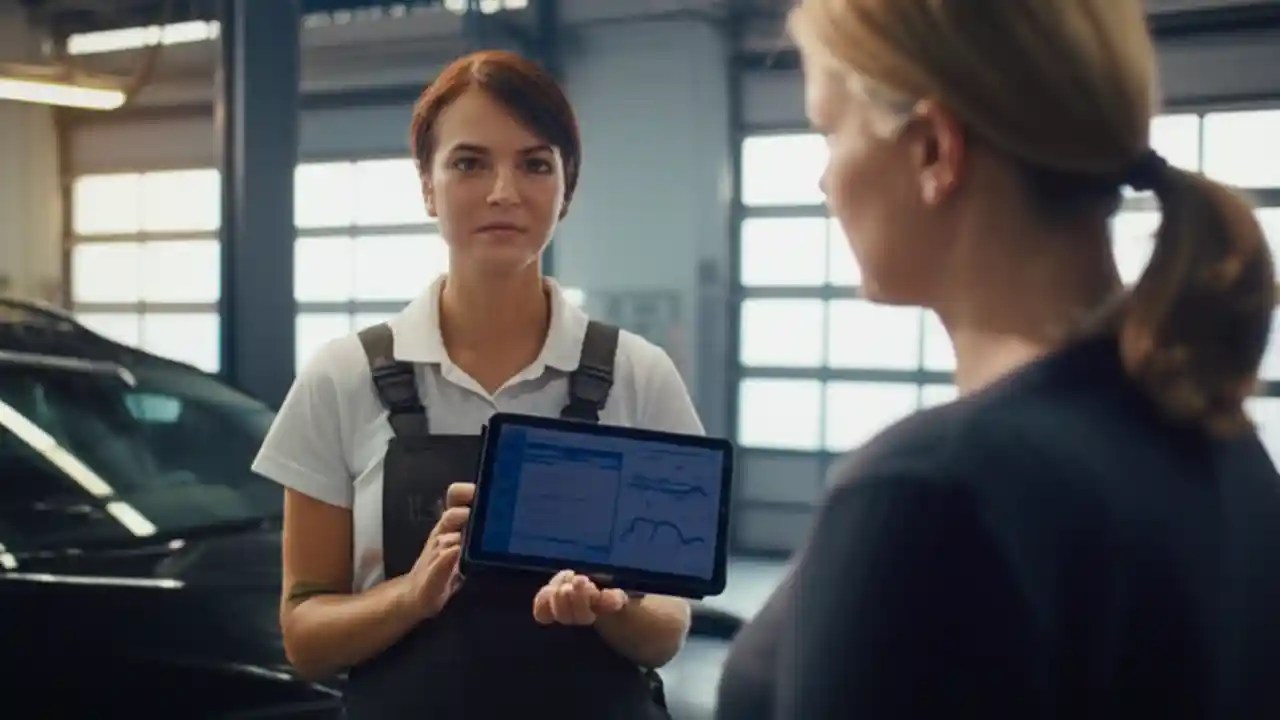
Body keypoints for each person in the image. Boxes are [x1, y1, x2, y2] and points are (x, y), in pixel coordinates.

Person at [716, 1, 1280, 718]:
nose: (824, 182)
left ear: (933, 151)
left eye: (829, 130)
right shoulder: (1226, 450)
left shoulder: (934, 492)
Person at [253, 50, 702, 719]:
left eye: (534, 163)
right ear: (428, 186)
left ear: (566, 187)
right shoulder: (341, 377)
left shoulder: (639, 375)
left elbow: (666, 628)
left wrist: (610, 607)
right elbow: (304, 635)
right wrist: (413, 594)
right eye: (469, 163)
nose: (502, 191)